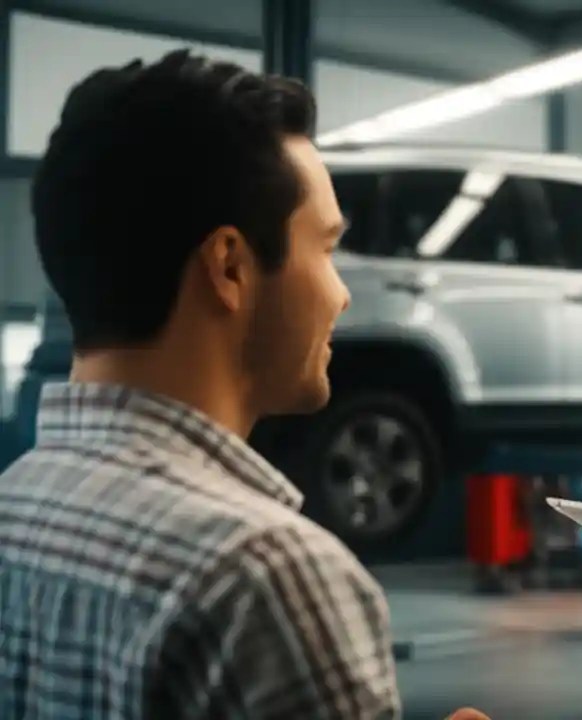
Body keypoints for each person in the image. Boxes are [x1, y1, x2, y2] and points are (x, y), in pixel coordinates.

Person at [0, 51, 487, 720]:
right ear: (229, 267)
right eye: (325, 248)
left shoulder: (15, 508)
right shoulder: (265, 576)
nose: (341, 294)